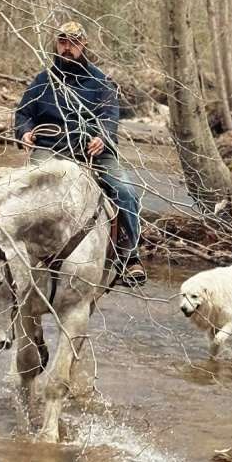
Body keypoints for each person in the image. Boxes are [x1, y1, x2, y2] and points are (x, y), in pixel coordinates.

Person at [14, 18, 146, 287]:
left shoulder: (102, 82)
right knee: (23, 186)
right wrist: (24, 132)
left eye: (73, 42)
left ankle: (129, 257)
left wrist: (103, 137)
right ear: (56, 44)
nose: (67, 48)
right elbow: (24, 114)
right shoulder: (43, 80)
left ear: (83, 44)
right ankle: (10, 247)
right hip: (50, 149)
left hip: (93, 152)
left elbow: (110, 117)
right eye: (63, 42)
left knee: (126, 192)